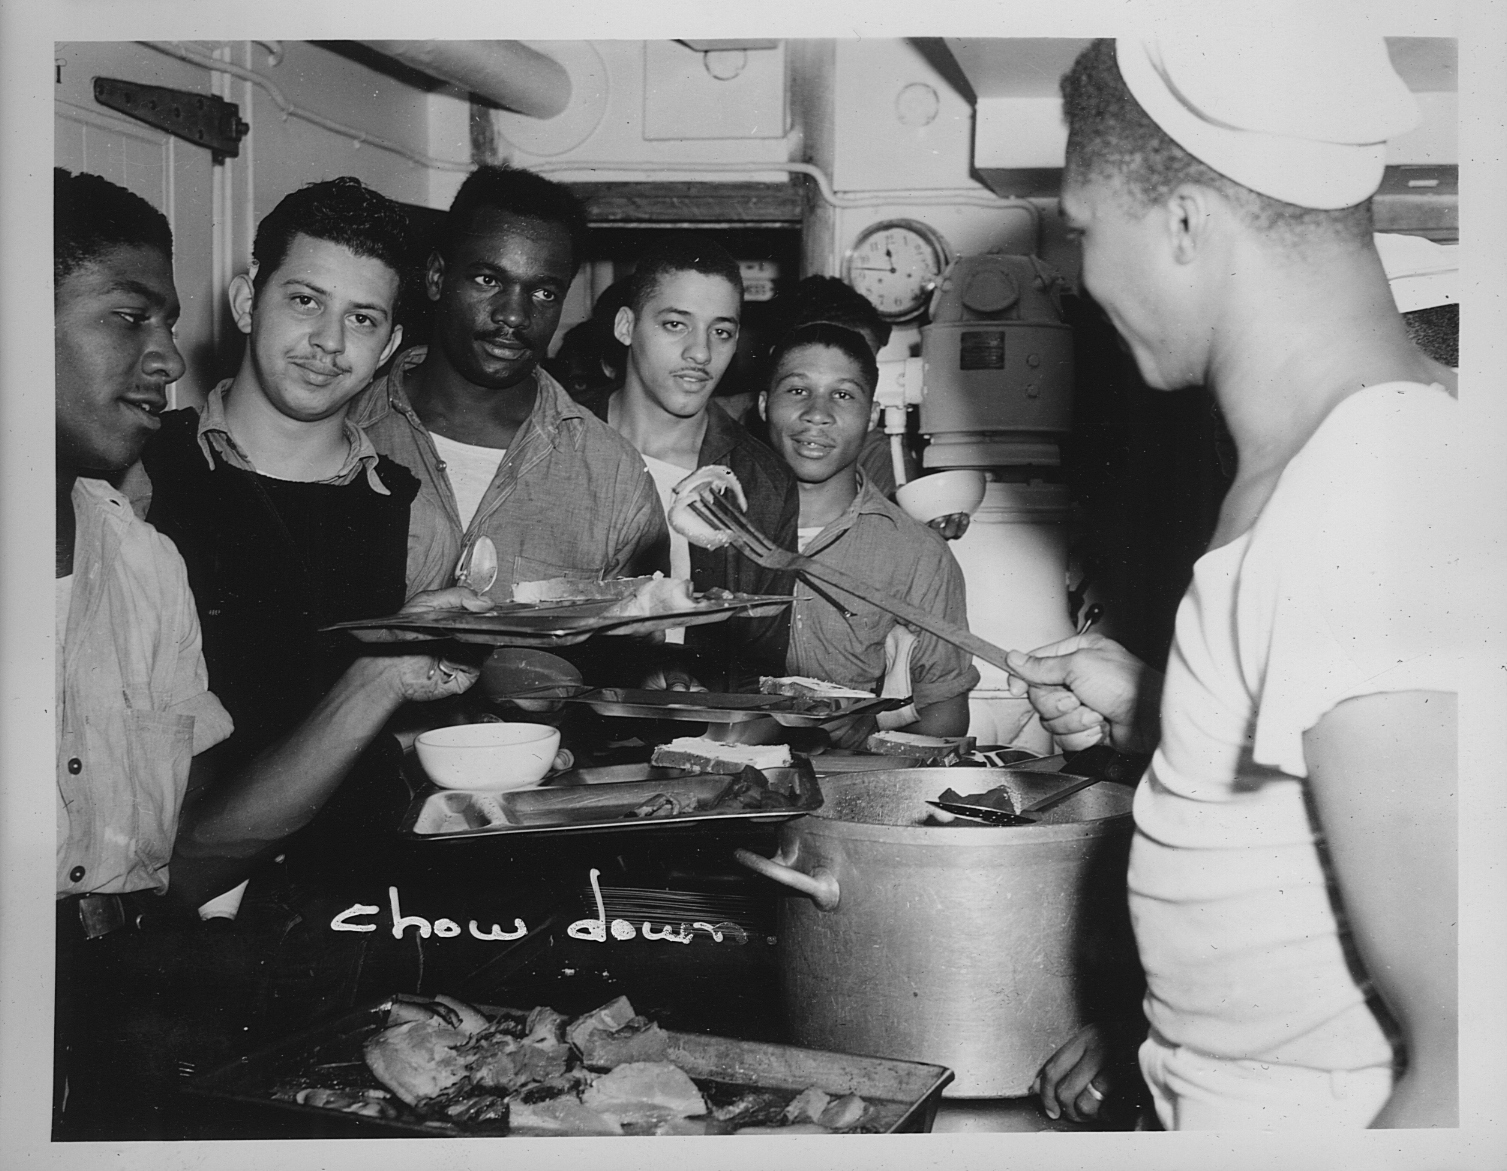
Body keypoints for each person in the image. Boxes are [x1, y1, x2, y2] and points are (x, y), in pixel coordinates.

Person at [1011, 29, 1457, 1130]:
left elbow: (1472, 1062)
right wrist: (1159, 709)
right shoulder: (1323, 470)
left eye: (1081, 231)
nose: (1084, 276)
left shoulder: (1364, 491)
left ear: (1181, 222)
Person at [53, 170, 483, 1139]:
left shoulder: (416, 516)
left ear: (391, 348)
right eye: (304, 300)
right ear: (249, 300)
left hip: (345, 927)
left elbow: (412, 746)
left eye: (364, 319)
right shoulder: (131, 477)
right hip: (169, 928)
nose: (329, 342)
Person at [348, 164, 667, 602]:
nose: (514, 315)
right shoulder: (344, 430)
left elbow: (638, 658)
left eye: (543, 293)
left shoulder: (616, 480)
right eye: (488, 280)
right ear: (438, 277)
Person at [581, 237, 799, 689]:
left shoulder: (761, 483)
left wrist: (696, 680)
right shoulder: (557, 441)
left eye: (720, 332)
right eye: (676, 324)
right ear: (626, 326)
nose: (700, 353)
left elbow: (759, 660)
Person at [760, 322, 978, 743]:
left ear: (873, 415)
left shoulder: (916, 554)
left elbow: (945, 717)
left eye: (842, 395)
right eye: (797, 391)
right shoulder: (717, 526)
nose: (817, 414)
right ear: (764, 404)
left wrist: (869, 730)